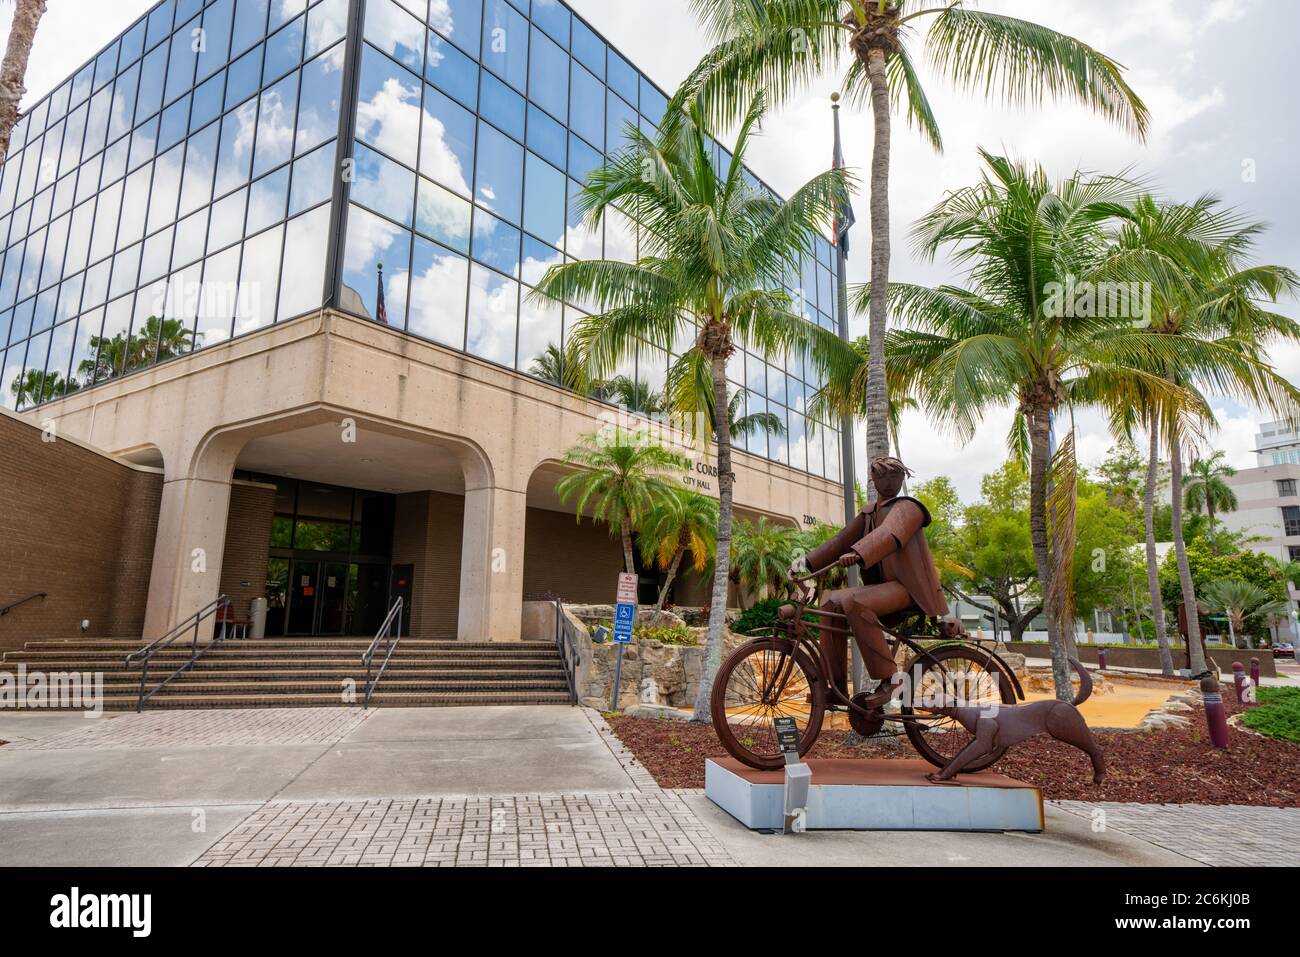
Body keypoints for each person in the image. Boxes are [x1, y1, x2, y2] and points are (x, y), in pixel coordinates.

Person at [788, 457, 948, 705]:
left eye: (893, 475)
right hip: (884, 589)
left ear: (901, 479)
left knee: (855, 601)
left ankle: (890, 679)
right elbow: (839, 541)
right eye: (881, 475)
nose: (887, 480)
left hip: (910, 589)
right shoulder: (869, 513)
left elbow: (889, 534)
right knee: (829, 600)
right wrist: (803, 564)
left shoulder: (908, 508)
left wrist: (859, 552)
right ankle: (837, 688)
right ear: (874, 478)